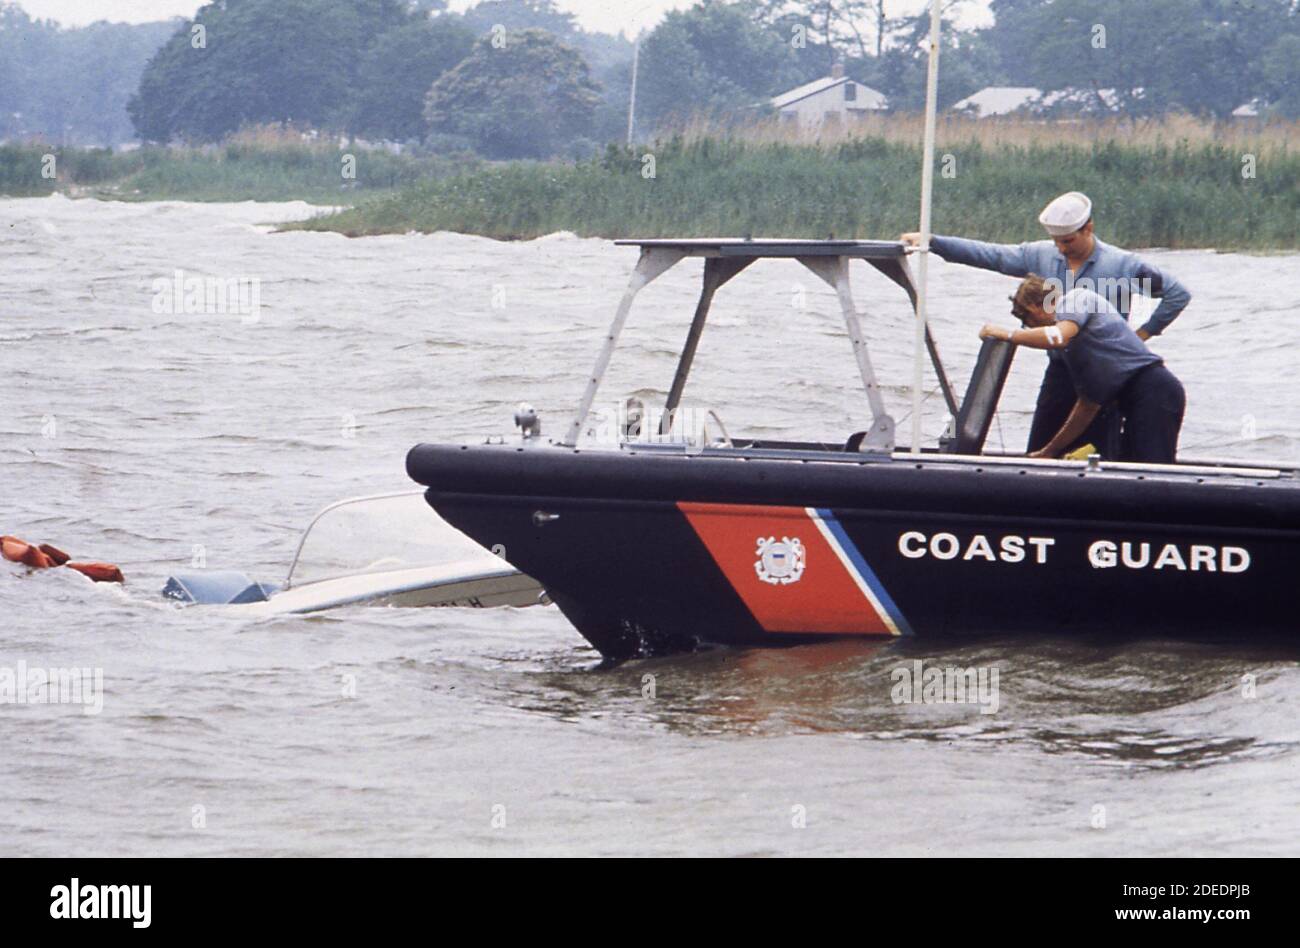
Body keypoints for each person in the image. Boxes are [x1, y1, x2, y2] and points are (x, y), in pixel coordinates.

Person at [901, 191, 1191, 457]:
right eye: (1056, 242)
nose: (1061, 249)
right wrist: (934, 243)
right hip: (1063, 368)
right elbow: (991, 255)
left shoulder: (1122, 266)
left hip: (1107, 374)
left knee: (1098, 451)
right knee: (1042, 444)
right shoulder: (1040, 256)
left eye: (1068, 241)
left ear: (1088, 228)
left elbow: (1176, 295)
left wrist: (1140, 335)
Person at [980, 275, 1186, 464]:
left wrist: (1008, 335)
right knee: (1128, 463)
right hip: (1134, 401)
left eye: (1027, 321)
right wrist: (1049, 451)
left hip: (1156, 391)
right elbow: (1087, 407)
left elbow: (1058, 336)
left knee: (1152, 466)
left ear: (1034, 307)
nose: (1031, 329)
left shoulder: (1075, 300)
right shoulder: (1076, 351)